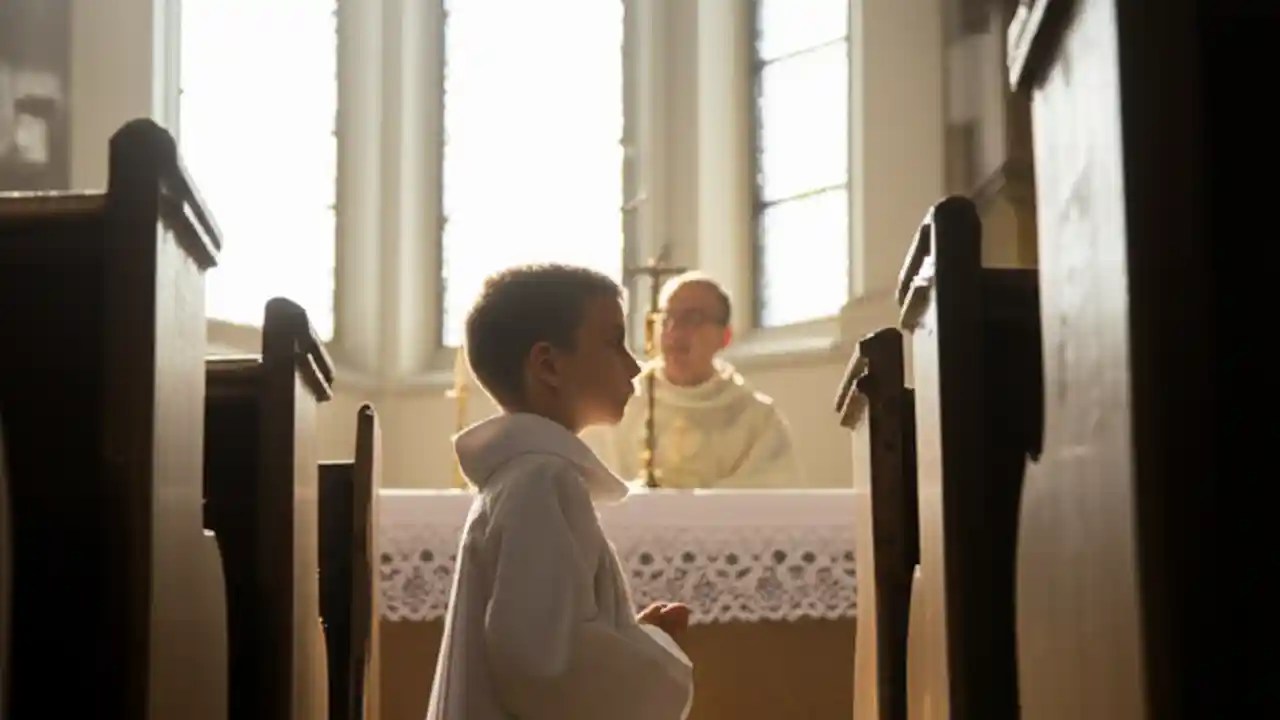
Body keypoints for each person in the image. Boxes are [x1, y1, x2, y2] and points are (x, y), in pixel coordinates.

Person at [426, 264, 695, 720]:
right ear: (548, 365)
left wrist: (624, 633)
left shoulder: (528, 476)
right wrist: (656, 654)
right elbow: (545, 665)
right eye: (613, 342)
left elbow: (546, 634)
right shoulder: (540, 481)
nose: (633, 365)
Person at [588, 271, 800, 488]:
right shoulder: (617, 401)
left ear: (724, 337)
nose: (674, 331)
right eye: (666, 318)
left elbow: (766, 499)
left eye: (692, 319)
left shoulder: (756, 419)